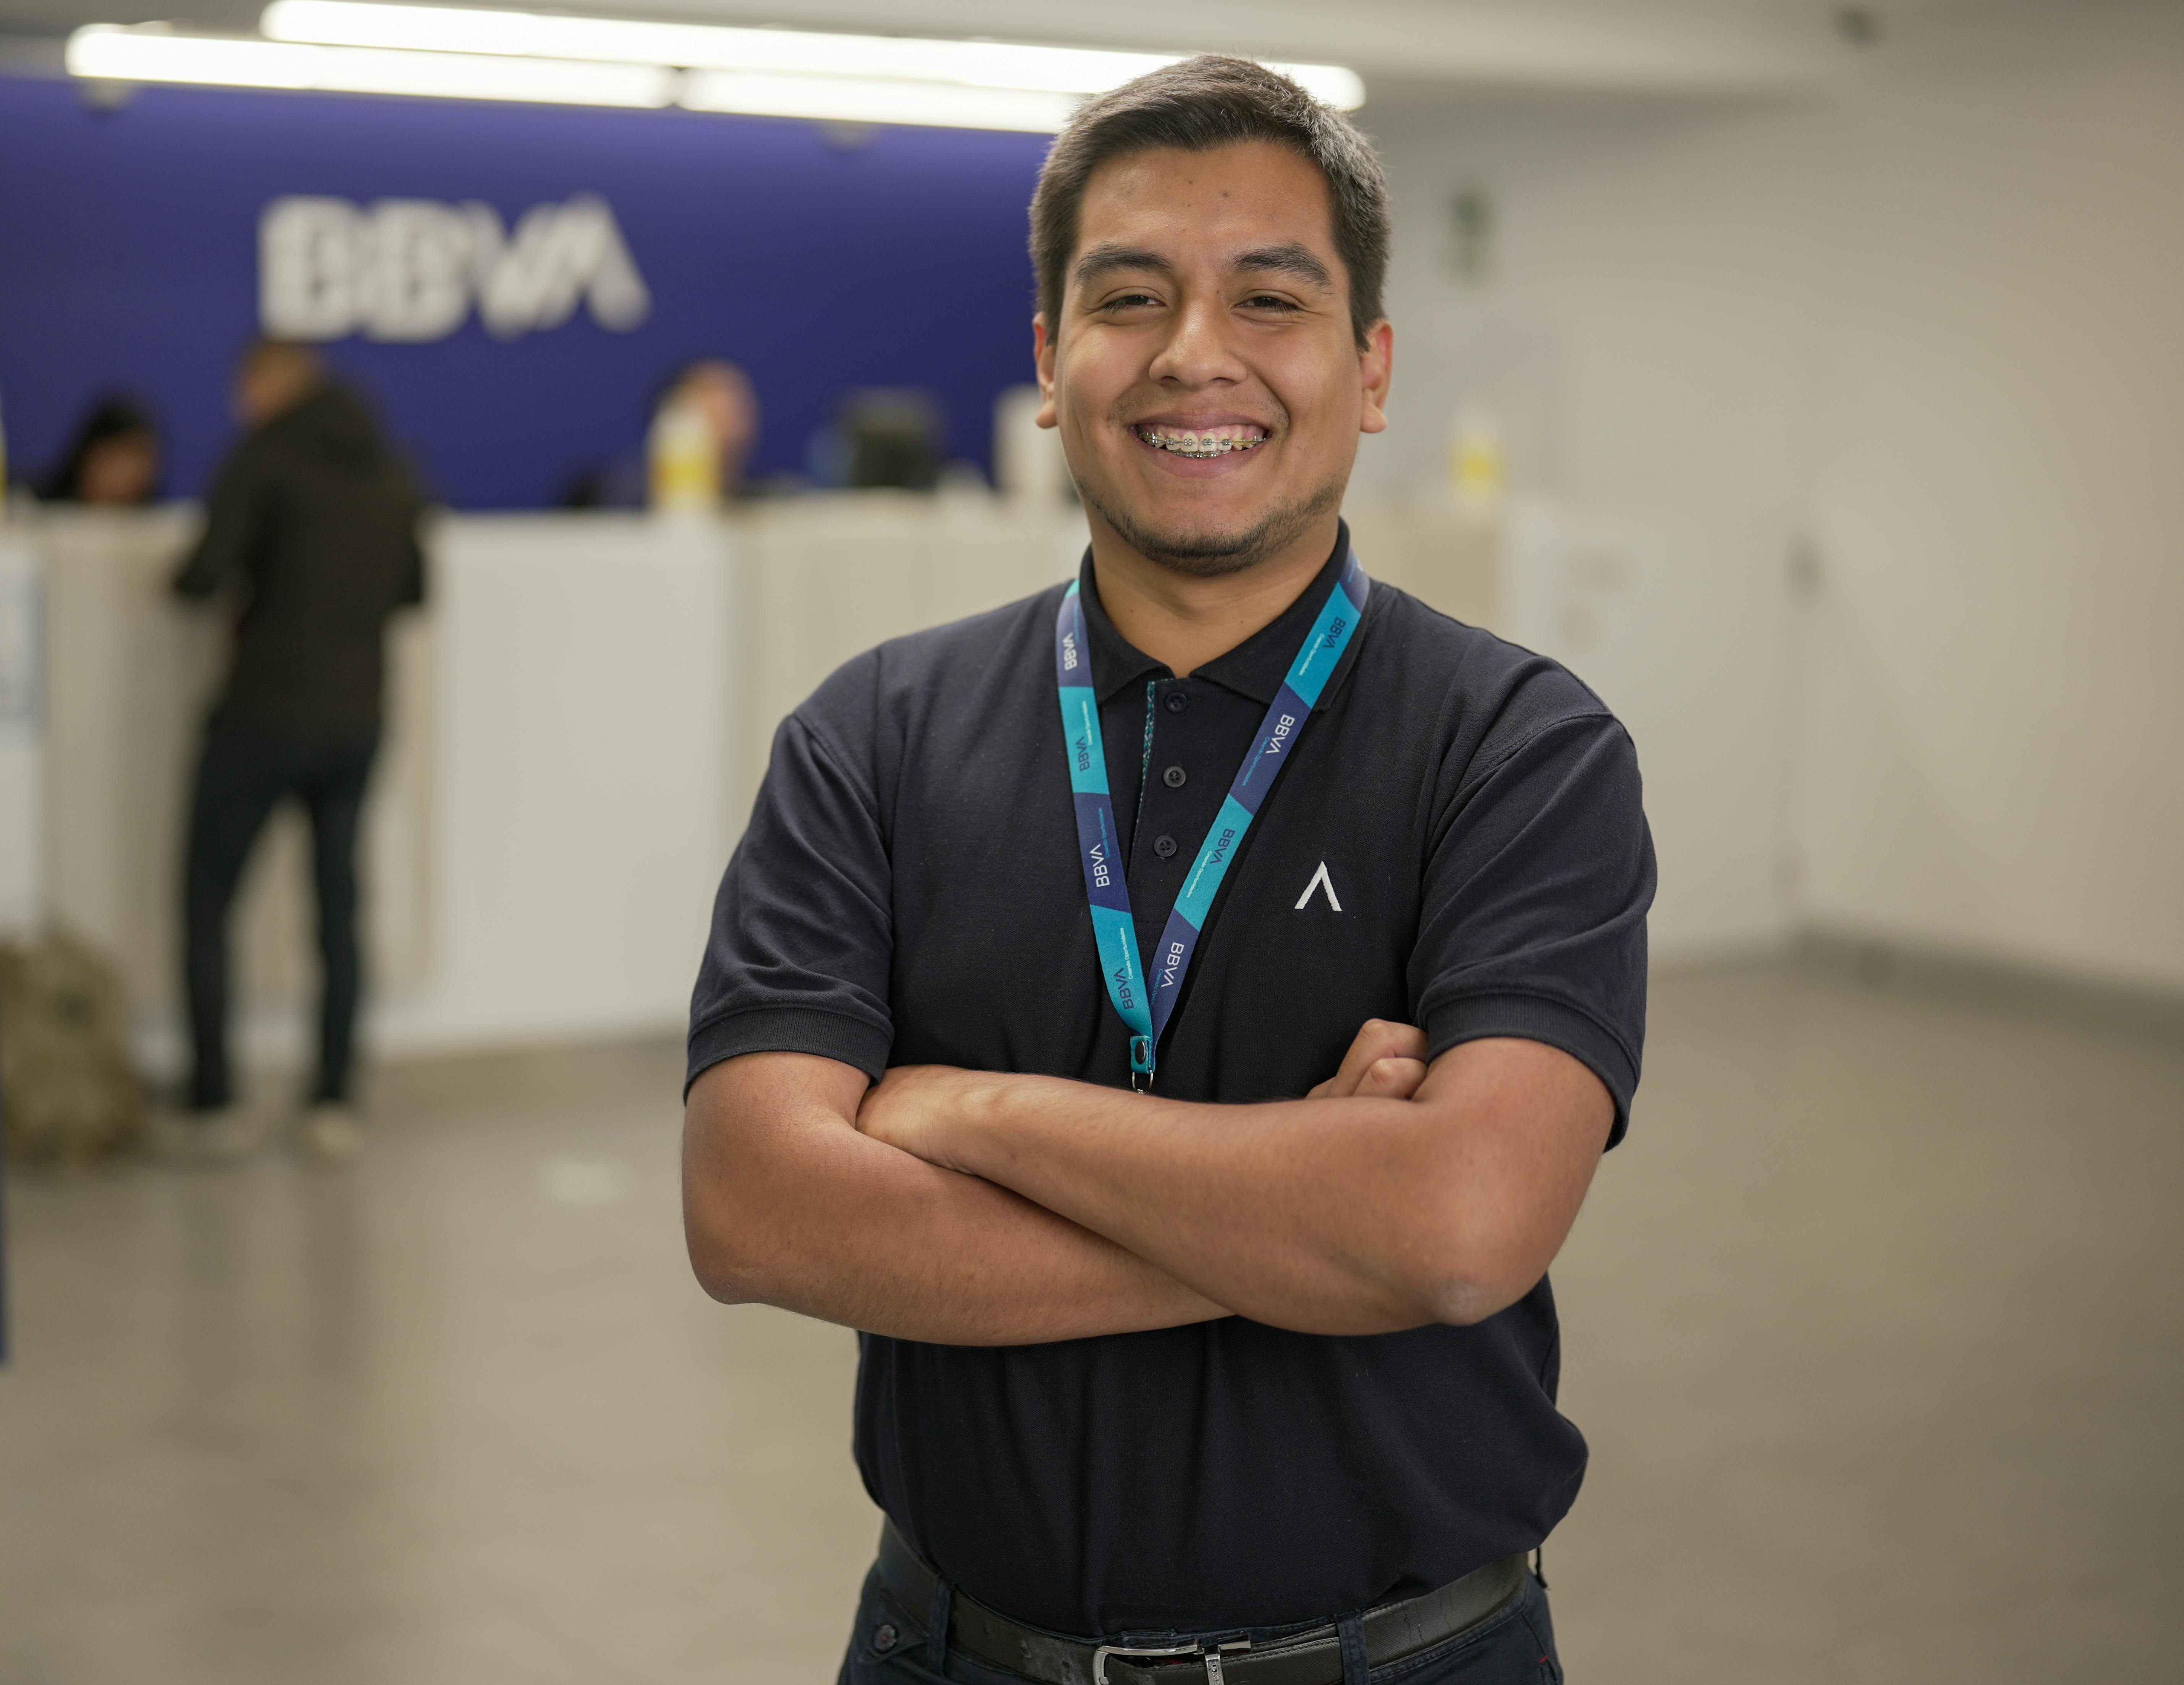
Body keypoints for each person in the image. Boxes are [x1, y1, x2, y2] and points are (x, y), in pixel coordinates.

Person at [682, 57, 1653, 1685]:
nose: (1193, 354)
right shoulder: (874, 735)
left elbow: (1463, 1227)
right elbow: (755, 1208)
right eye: (1127, 297)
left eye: (1268, 299)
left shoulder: (1515, 746)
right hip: (951, 1652)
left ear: (1368, 366)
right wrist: (1304, 1217)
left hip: (1401, 1659)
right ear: (1053, 363)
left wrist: (975, 1113)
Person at [165, 341, 426, 1162]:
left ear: (267, 385)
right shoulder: (393, 468)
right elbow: (415, 589)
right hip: (356, 722)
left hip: (262, 715)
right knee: (339, 914)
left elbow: (202, 575)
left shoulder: (264, 456)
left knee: (208, 898)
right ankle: (331, 1099)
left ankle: (214, 1100)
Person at [35, 393, 163, 505]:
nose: (135, 473)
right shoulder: (32, 512)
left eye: (145, 457)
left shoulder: (161, 525)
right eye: (114, 457)